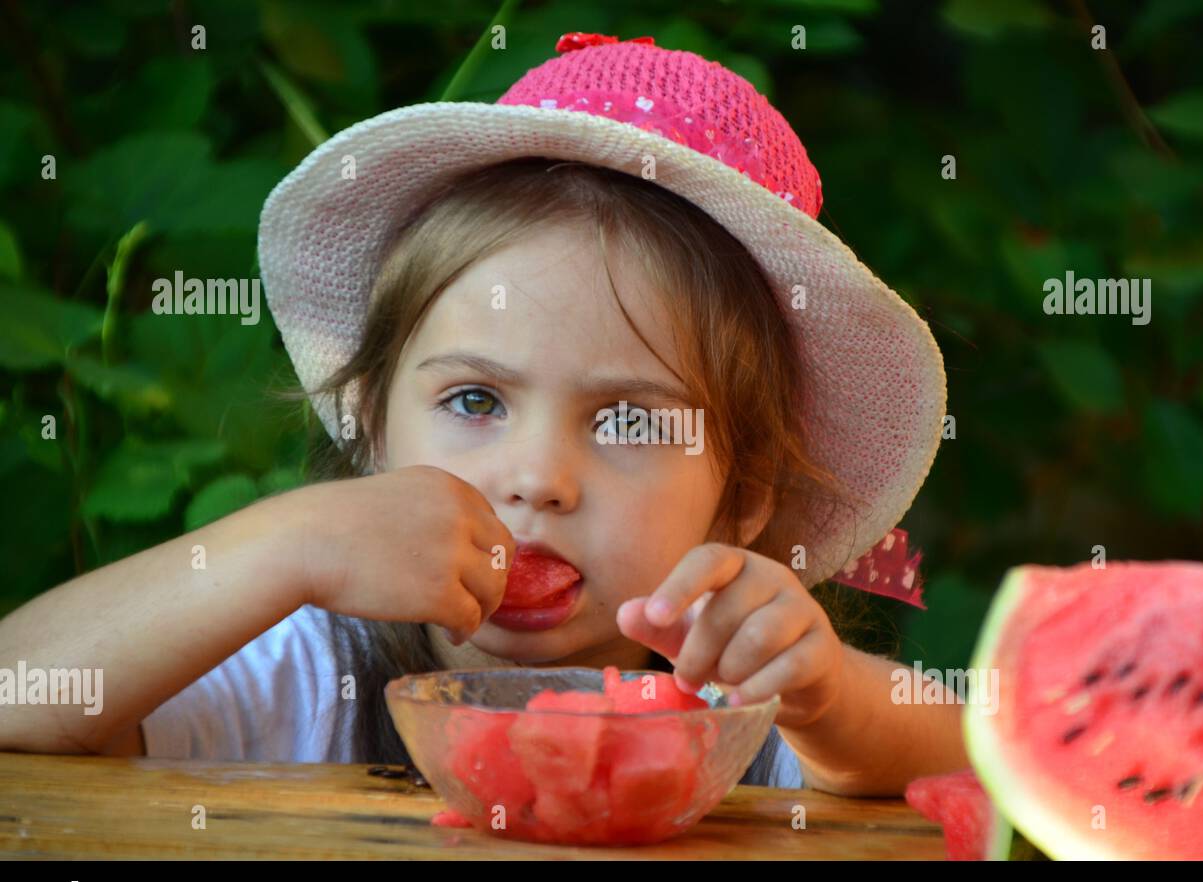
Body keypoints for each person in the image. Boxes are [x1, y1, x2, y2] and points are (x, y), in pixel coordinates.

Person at [0, 32, 967, 796]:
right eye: (474, 399)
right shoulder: (308, 673)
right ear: (372, 422)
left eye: (630, 421)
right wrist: (280, 545)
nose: (535, 477)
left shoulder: (735, 703)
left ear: (743, 494)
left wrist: (829, 700)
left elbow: (977, 755)